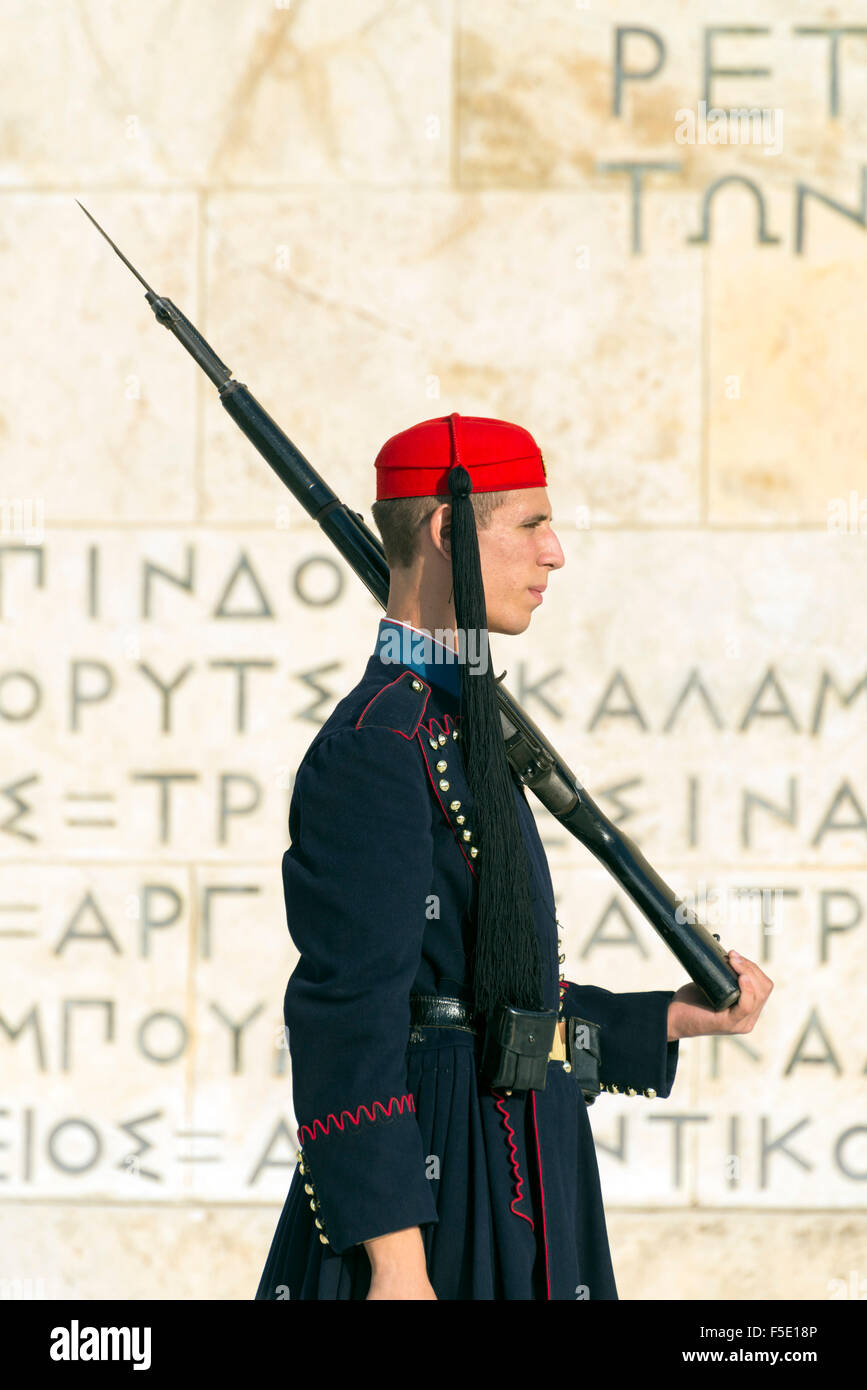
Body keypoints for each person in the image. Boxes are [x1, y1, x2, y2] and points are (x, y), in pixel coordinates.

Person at [254, 412, 773, 1301]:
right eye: (530, 523)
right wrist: (397, 1266)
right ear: (450, 530)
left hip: (525, 1166)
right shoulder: (380, 746)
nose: (555, 552)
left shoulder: (461, 726)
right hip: (437, 1196)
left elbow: (487, 996)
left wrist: (666, 1019)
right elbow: (349, 1021)